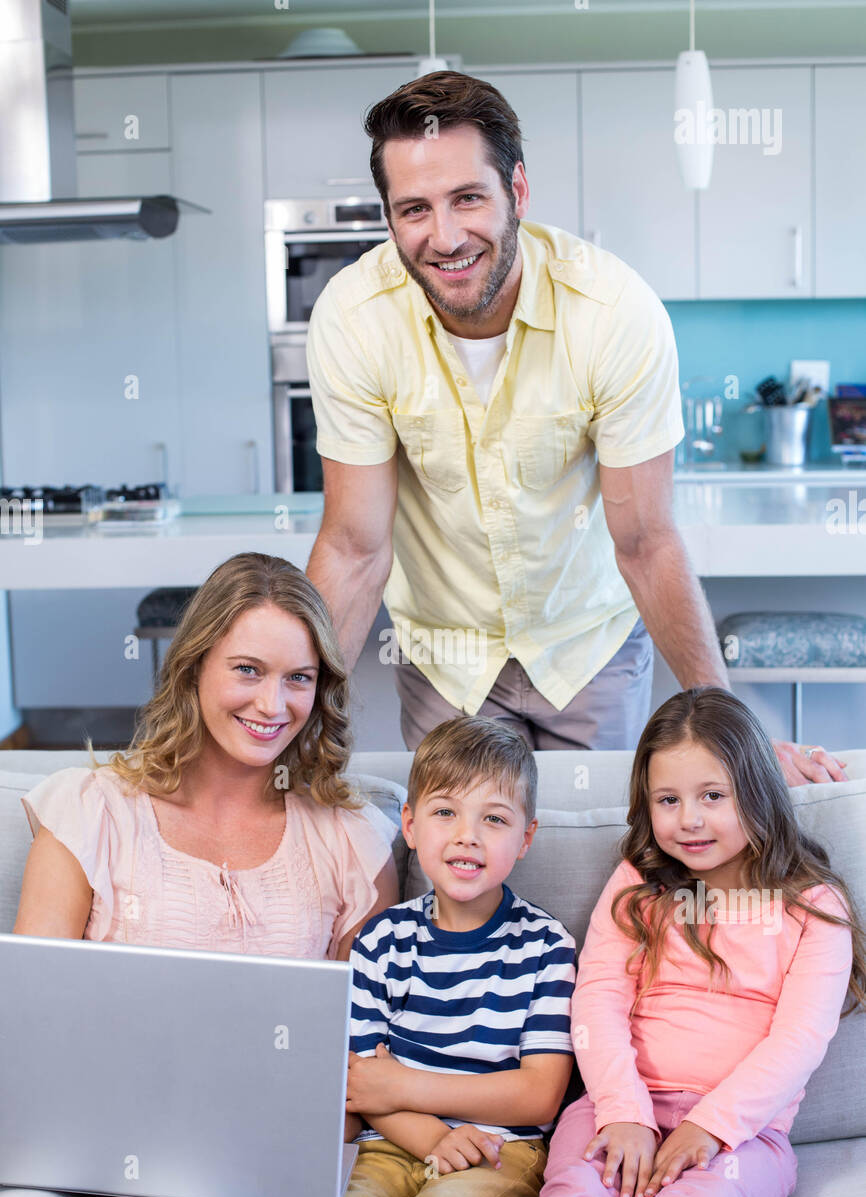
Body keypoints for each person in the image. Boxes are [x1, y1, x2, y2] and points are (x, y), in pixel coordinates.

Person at [304, 68, 842, 789]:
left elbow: (647, 543)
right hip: (447, 659)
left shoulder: (613, 312)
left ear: (517, 192)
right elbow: (354, 547)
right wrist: (295, 727)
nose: (446, 236)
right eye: (414, 210)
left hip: (589, 649)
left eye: (468, 198)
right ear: (390, 218)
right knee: (461, 876)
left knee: (597, 867)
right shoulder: (354, 318)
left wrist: (732, 733)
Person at [0, 551, 400, 1197]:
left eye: (298, 678)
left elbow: (357, 1060)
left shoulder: (352, 841)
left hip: (245, 1183)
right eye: (247, 670)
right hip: (70, 1163)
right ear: (193, 670)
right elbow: (30, 1034)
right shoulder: (92, 809)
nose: (273, 703)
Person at [469, 686, 866, 1197]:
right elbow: (598, 997)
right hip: (621, 1105)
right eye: (668, 799)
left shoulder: (813, 908)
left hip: (743, 1135)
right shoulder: (639, 885)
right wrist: (624, 1113)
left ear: (757, 791)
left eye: (713, 795)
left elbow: (800, 1041)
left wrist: (710, 1128)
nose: (690, 819)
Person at [299, 715, 576, 1197]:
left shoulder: (548, 947)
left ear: (526, 838)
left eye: (494, 819)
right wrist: (425, 1135)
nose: (466, 835)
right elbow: (361, 1087)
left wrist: (402, 1084)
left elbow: (537, 1095)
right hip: (386, 1140)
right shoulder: (381, 942)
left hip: (500, 1148)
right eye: (445, 812)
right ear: (411, 825)